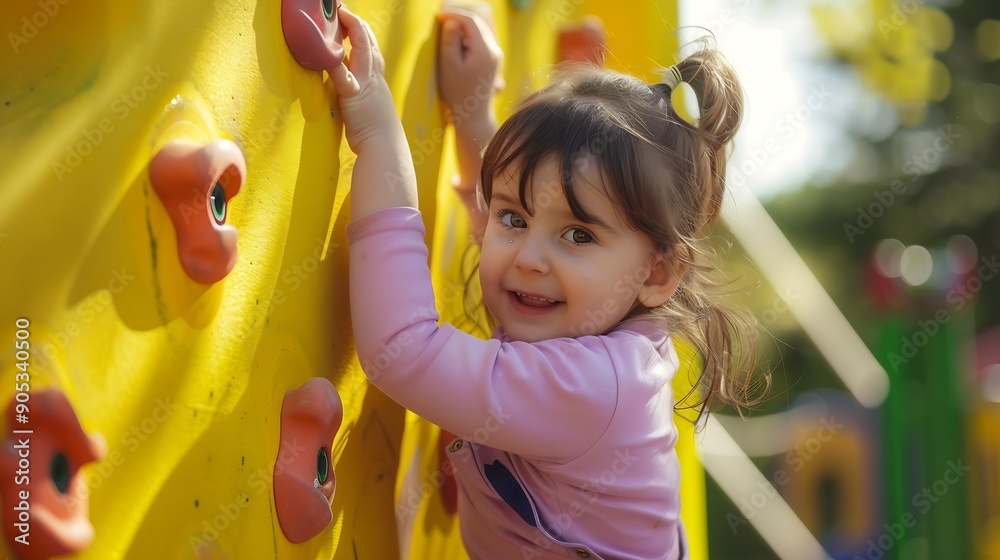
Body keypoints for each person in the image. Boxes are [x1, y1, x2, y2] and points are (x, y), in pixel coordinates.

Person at [330, 4, 765, 558]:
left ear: (656, 274)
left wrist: (377, 139)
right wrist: (474, 111)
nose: (528, 258)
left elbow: (401, 350)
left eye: (579, 237)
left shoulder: (591, 389)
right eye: (515, 219)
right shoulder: (608, 333)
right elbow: (504, 216)